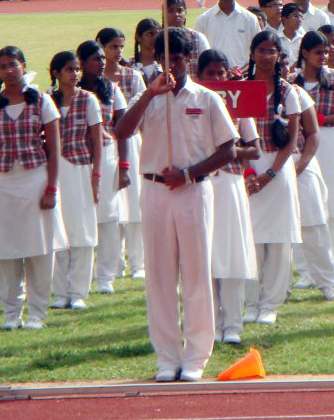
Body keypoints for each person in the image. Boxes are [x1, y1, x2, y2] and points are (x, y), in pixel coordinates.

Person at [114, 28, 238, 382]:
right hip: (154, 191)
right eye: (165, 57)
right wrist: (146, 97)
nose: (173, 64)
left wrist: (188, 173)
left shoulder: (207, 98)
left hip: (193, 191)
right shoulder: (146, 96)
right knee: (160, 276)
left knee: (197, 273)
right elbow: (121, 132)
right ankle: (166, 358)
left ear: (189, 60)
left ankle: (196, 356)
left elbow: (228, 149)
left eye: (179, 58)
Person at [0, 46, 65, 329]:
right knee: (5, 251)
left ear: (24, 66)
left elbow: (54, 149)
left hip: (35, 179)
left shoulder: (42, 102)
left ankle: (37, 312)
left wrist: (51, 188)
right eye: (3, 66)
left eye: (13, 65)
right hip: (1, 183)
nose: (9, 71)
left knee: (39, 249)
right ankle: (11, 313)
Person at [195, 50, 259, 345]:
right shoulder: (192, 104)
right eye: (211, 73)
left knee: (231, 254)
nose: (217, 79)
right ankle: (211, 324)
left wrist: (228, 152)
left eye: (221, 73)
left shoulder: (238, 103)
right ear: (200, 76)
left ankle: (233, 323)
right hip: (200, 187)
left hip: (230, 184)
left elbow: (254, 149)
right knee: (205, 256)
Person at [243, 30, 302, 324]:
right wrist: (250, 172)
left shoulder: (289, 92)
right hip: (247, 169)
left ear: (279, 56)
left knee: (278, 241)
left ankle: (270, 303)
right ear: (252, 53)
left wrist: (268, 174)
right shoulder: (240, 88)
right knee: (250, 238)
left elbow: (292, 141)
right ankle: (251, 301)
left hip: (278, 170)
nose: (266, 56)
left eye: (271, 51)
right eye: (261, 50)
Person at [293, 31, 334, 272]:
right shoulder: (294, 81)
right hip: (304, 144)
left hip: (332, 140)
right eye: (318, 52)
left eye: (326, 51)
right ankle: (305, 267)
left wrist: (322, 118)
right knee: (305, 203)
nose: (324, 56)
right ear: (305, 53)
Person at [48, 51, 102, 309]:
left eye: (77, 69)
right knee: (59, 231)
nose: (75, 74)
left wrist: (96, 175)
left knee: (82, 232)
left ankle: (79, 292)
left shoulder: (88, 100)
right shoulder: (48, 101)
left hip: (80, 169)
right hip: (55, 171)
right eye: (69, 69)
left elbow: (96, 141)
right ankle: (60, 292)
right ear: (57, 74)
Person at [76, 40, 129, 294]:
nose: (100, 63)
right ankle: (78, 275)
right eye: (94, 59)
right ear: (82, 63)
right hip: (78, 157)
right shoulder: (70, 90)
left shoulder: (112, 90)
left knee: (108, 217)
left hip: (108, 156)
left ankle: (105, 276)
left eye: (101, 58)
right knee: (82, 215)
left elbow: (124, 130)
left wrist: (125, 167)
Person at [98, 28, 147, 280]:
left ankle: (138, 262)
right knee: (112, 204)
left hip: (132, 142)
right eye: (112, 47)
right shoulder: (94, 80)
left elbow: (142, 107)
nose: (117, 52)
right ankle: (115, 262)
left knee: (135, 203)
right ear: (102, 48)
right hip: (105, 146)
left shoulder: (133, 76)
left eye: (120, 47)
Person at [194, 0, 261, 70]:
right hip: (214, 79)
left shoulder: (250, 19)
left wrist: (242, 72)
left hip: (243, 78)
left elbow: (257, 51)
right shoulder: (203, 20)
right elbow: (197, 53)